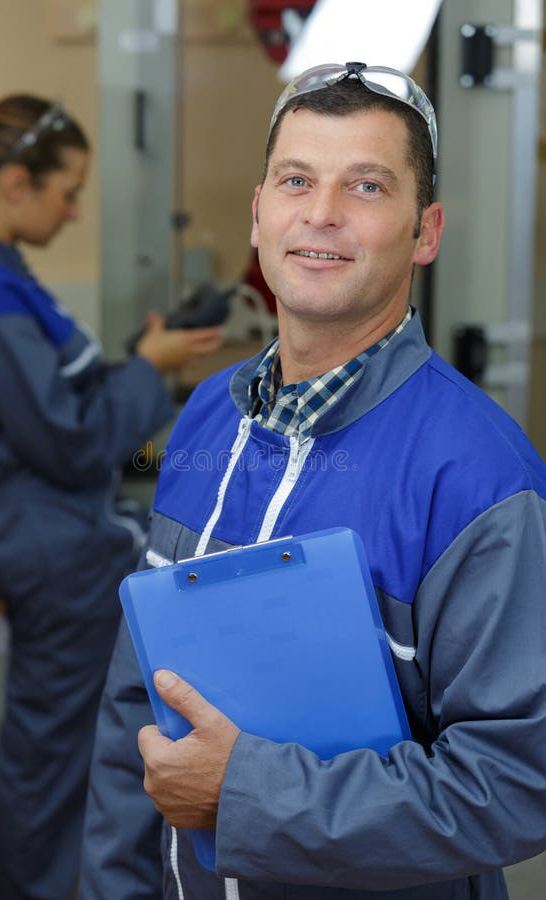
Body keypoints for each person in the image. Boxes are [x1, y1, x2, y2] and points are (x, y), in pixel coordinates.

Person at [80, 63, 546, 900]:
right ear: (258, 212)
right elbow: (133, 714)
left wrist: (250, 794)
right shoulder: (204, 428)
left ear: (425, 230)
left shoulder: (483, 480)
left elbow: (517, 782)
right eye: (297, 180)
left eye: (367, 186)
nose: (321, 213)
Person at [0, 94, 223, 900]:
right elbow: (67, 443)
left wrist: (142, 358)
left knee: (57, 751)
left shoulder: (0, 276)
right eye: (67, 193)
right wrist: (148, 367)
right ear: (17, 184)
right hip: (47, 536)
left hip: (55, 528)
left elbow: (55, 407)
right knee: (53, 761)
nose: (72, 212)